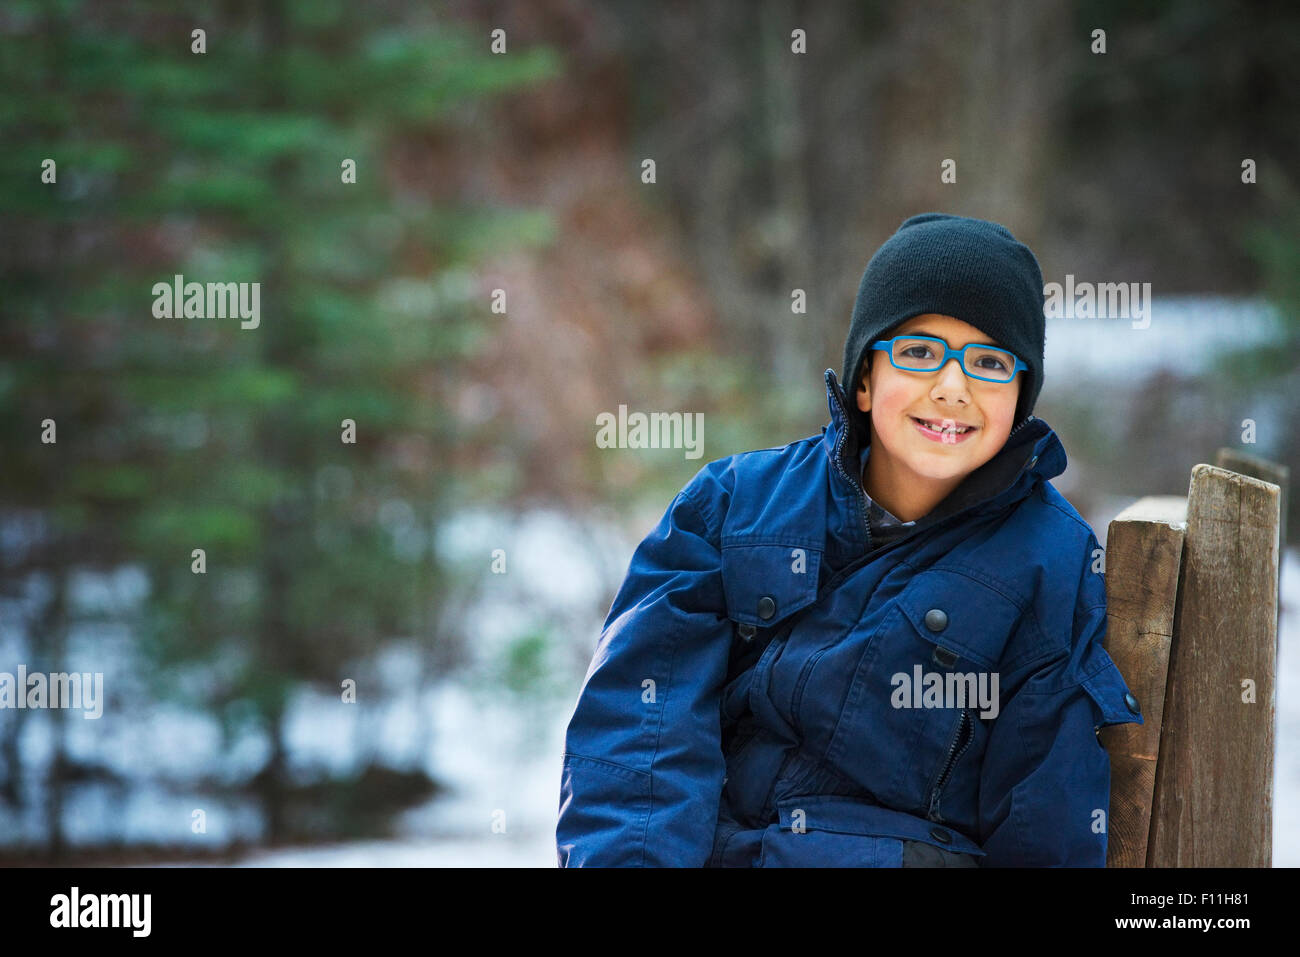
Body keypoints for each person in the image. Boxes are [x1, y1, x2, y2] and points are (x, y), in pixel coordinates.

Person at [555, 212, 1144, 867]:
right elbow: (642, 720)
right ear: (865, 379)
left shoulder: (1047, 562)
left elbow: (1046, 820)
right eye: (919, 352)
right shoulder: (734, 503)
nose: (952, 387)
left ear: (1020, 400)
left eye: (988, 362)